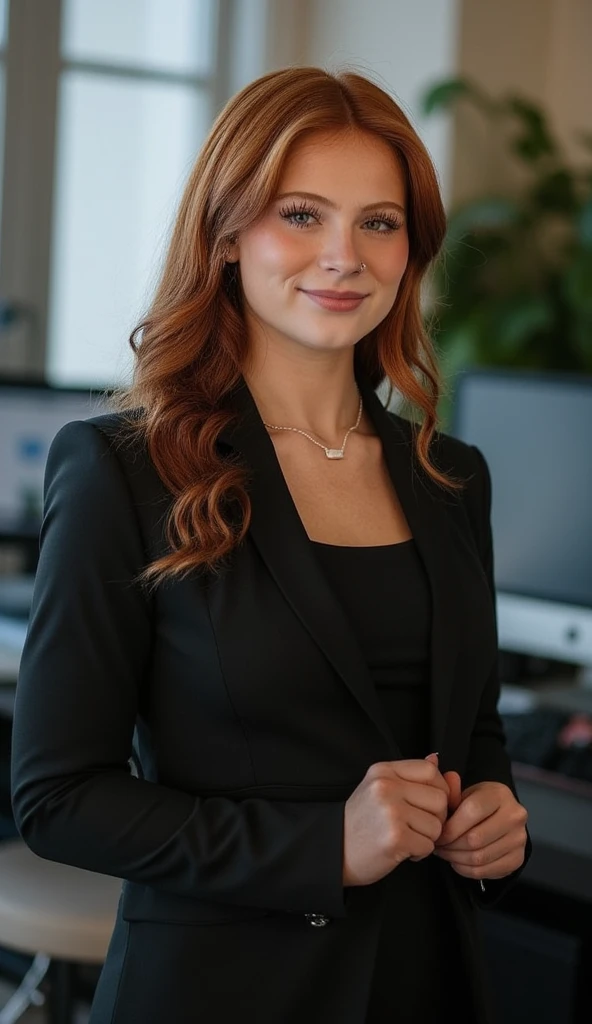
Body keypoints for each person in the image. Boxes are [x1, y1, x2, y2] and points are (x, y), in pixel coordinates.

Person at [11, 66, 530, 1023]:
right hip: (225, 991)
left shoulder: (452, 477)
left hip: (429, 981)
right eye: (301, 214)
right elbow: (58, 796)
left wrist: (493, 811)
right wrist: (323, 846)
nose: (344, 255)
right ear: (226, 234)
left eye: (379, 222)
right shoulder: (121, 470)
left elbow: (473, 731)